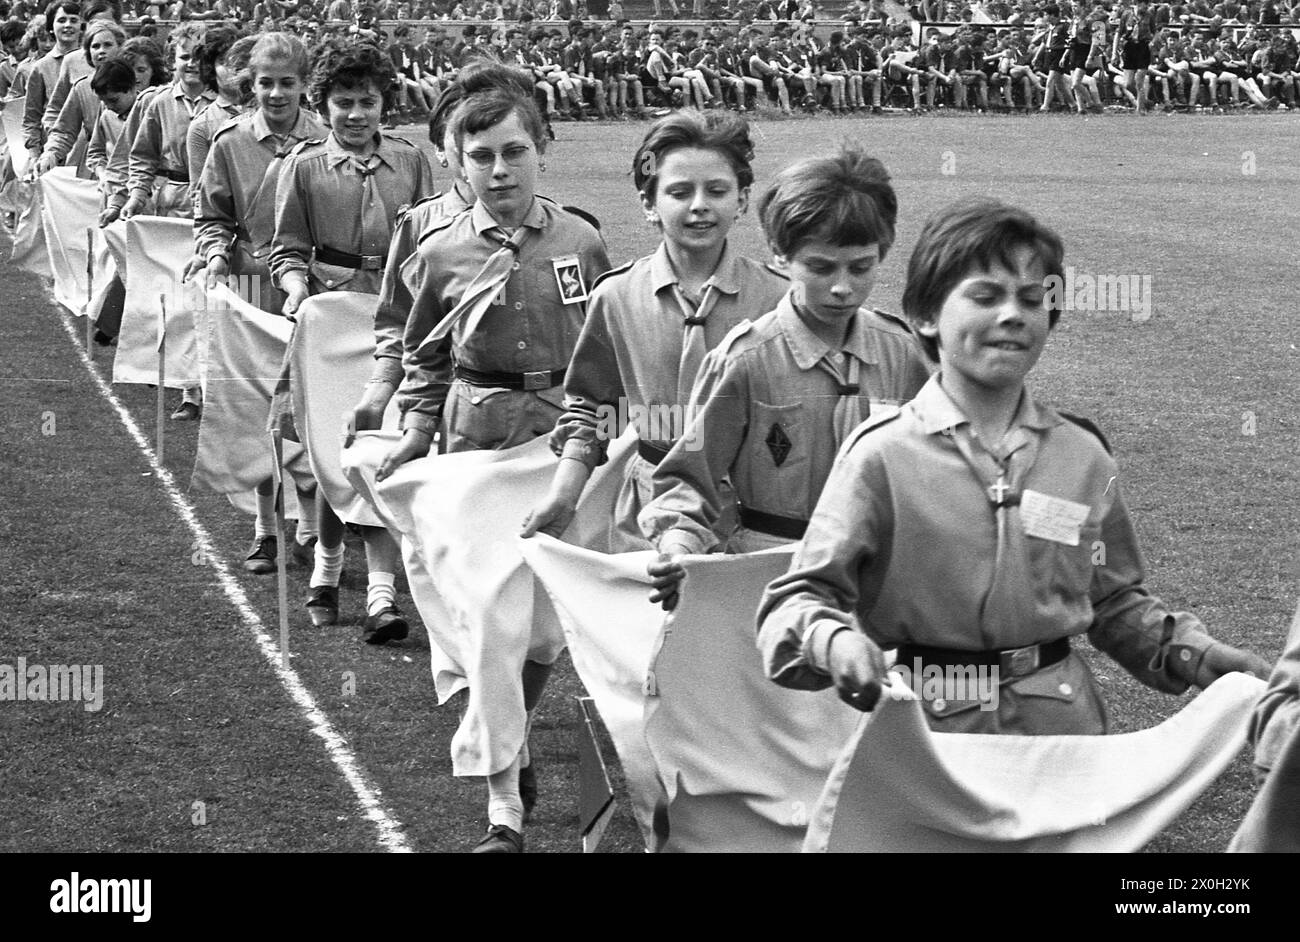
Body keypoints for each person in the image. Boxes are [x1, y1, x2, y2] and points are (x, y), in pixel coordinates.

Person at [756, 197, 1271, 732]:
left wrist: (1194, 654)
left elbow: (1113, 599)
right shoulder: (881, 455)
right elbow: (797, 601)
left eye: (1032, 299)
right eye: (984, 296)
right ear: (925, 316)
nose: (1012, 314)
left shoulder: (1081, 455)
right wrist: (832, 641)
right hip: (926, 735)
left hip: (1062, 730)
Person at [380, 85, 610, 853]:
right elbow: (424, 353)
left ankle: (509, 739)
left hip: (562, 448)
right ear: (455, 162)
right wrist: (414, 429)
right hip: (479, 443)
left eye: (515, 152)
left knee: (542, 630)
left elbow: (600, 353)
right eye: (481, 157)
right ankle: (503, 805)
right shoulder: (439, 251)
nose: (501, 171)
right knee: (488, 620)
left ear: (542, 149)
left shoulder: (580, 239)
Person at [639, 145, 930, 611]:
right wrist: (677, 546)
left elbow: (931, 471)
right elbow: (690, 479)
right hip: (767, 581)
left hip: (873, 580)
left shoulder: (900, 351)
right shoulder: (744, 361)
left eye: (861, 267)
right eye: (819, 267)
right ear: (780, 256)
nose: (841, 286)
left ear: (884, 253)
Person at [522, 108, 788, 551]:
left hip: (747, 510)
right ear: (649, 205)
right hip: (648, 506)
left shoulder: (777, 300)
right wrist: (565, 493)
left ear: (742, 200)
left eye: (717, 190)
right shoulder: (618, 295)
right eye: (680, 191)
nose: (699, 205)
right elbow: (595, 407)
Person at [269, 40, 434, 640]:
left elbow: (429, 243)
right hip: (330, 318)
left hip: (395, 319)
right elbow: (285, 247)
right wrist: (294, 288)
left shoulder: (411, 161)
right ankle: (327, 568)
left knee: (382, 448)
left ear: (385, 102)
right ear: (324, 104)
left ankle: (383, 596)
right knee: (333, 452)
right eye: (344, 103)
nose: (357, 114)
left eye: (368, 101)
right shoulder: (304, 165)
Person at [189, 31, 326, 574]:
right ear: (251, 83)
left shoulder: (325, 139)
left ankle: (313, 526)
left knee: (307, 411)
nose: (275, 94)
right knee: (255, 411)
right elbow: (211, 216)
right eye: (265, 83)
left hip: (309, 291)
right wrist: (217, 253)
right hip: (249, 288)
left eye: (287, 83)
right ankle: (265, 527)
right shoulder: (229, 142)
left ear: (304, 84)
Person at [35, 19, 124, 175]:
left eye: (108, 45)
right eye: (95, 46)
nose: (101, 51)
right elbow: (64, 130)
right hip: (95, 164)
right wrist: (50, 154)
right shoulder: (82, 87)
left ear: (120, 47)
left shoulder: (133, 83)